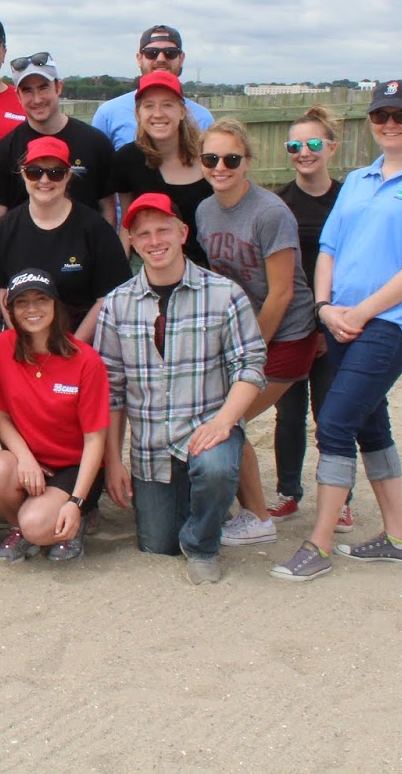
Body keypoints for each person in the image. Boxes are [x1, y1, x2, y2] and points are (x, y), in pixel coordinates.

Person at [272, 80, 402, 581]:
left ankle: (319, 545)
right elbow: (329, 247)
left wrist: (362, 312)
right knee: (371, 424)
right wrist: (325, 307)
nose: (390, 124)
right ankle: (397, 537)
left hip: (390, 324)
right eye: (381, 116)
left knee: (334, 423)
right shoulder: (358, 180)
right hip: (341, 321)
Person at [95, 193, 266, 584]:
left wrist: (225, 422)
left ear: (183, 232)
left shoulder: (224, 294)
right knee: (159, 544)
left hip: (206, 431)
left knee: (218, 467)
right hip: (151, 447)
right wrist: (114, 460)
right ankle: (200, 506)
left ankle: (204, 544)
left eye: (163, 230)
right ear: (133, 243)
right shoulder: (117, 305)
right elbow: (112, 390)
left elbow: (251, 365)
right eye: (143, 235)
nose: (155, 241)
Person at [194, 119, 319, 548]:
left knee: (231, 417)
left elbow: (282, 293)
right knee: (217, 409)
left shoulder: (270, 213)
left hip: (286, 334)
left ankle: (258, 516)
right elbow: (221, 277)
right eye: (211, 159)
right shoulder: (205, 210)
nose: (220, 167)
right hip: (245, 330)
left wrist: (250, 353)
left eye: (231, 159)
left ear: (247, 161)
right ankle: (240, 501)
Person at [0, 270, 108, 564]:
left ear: (56, 305)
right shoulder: (1, 347)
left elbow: (95, 438)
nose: (32, 309)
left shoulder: (86, 360)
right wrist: (24, 458)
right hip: (33, 460)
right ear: (9, 310)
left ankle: (78, 517)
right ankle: (19, 526)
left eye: (41, 300)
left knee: (37, 524)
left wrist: (76, 501)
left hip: (76, 466)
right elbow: (0, 415)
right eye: (22, 302)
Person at [269, 105, 344, 522]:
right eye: (294, 145)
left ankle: (341, 501)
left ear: (331, 147)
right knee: (290, 411)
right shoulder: (279, 203)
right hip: (291, 324)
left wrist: (325, 324)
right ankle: (288, 491)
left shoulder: (348, 199)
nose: (304, 152)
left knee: (332, 413)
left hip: (335, 321)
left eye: (313, 143)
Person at [0, 136, 129, 342]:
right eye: (35, 172)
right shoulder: (7, 227)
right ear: (23, 174)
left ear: (68, 176)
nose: (44, 180)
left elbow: (107, 297)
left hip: (81, 340)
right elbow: (1, 290)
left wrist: (74, 348)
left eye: (55, 173)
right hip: (24, 341)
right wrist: (26, 342)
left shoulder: (94, 228)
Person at [0, 52, 115, 232]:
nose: (37, 99)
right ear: (18, 96)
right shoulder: (3, 151)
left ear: (59, 87)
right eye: (27, 91)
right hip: (25, 255)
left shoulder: (96, 143)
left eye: (43, 87)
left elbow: (107, 209)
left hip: (84, 255)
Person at [109, 70, 213, 266]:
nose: (158, 114)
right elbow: (126, 223)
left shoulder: (207, 157)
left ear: (182, 111)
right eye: (149, 106)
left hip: (204, 266)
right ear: (138, 113)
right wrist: (120, 273)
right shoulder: (127, 160)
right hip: (150, 262)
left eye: (167, 105)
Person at [90, 24, 213, 148]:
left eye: (170, 53)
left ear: (181, 58)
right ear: (139, 58)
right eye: (151, 53)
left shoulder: (203, 118)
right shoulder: (108, 114)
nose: (161, 59)